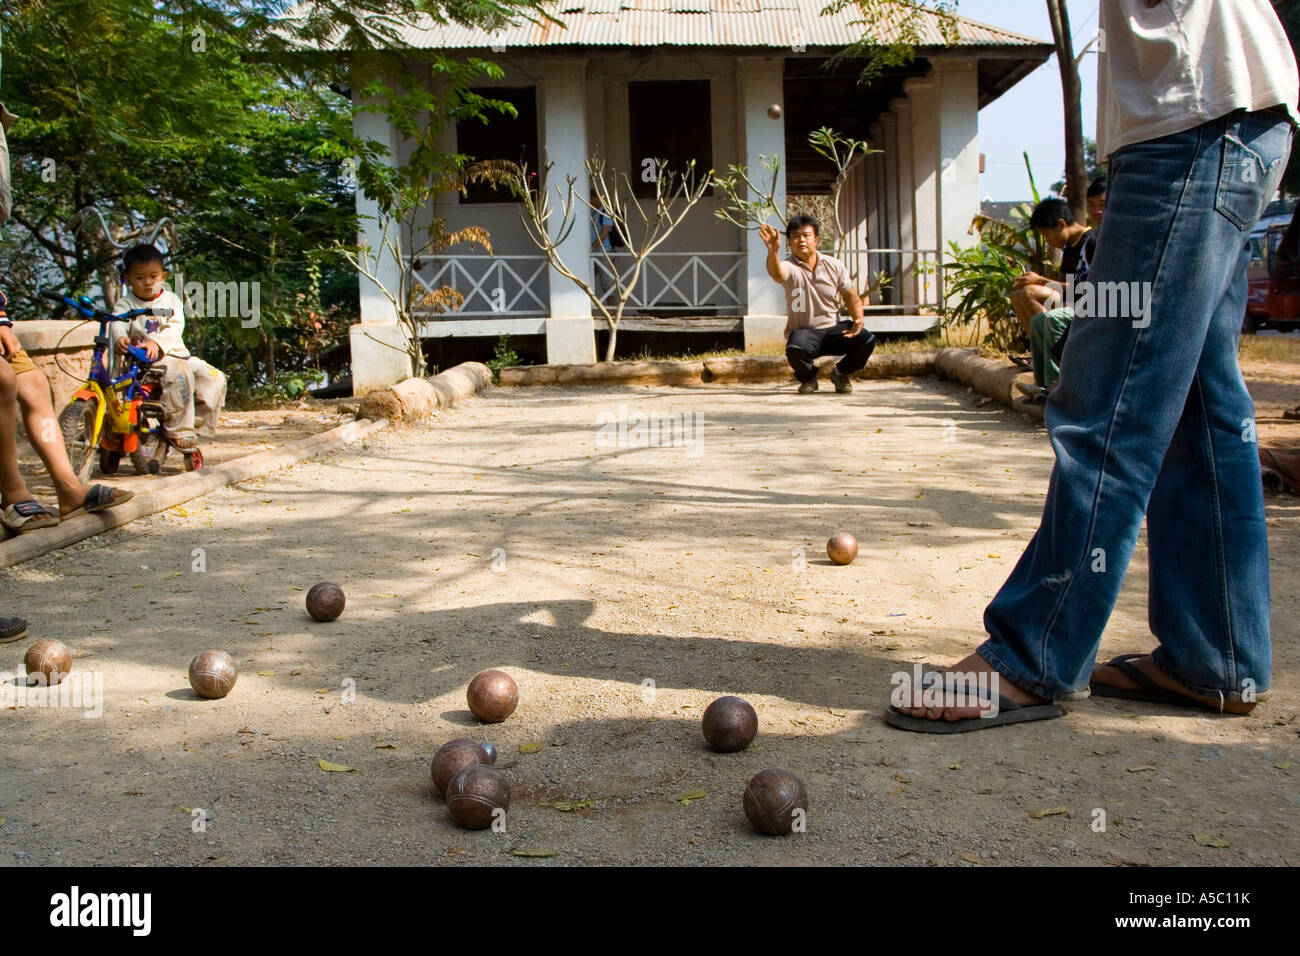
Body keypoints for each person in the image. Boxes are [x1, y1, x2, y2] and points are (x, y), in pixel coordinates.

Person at [886, 0, 1296, 732]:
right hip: (1237, 113)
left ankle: (1034, 651)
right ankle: (1216, 656)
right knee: (1199, 408)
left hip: (1190, 122)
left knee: (1111, 394)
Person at [115, 244, 227, 451]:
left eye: (153, 277)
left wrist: (156, 342)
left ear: (163, 276)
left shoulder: (170, 300)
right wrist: (120, 337)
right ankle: (180, 430)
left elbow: (175, 325)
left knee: (214, 377)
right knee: (180, 374)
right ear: (128, 279)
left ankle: (196, 426)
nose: (147, 283)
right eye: (139, 278)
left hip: (177, 354)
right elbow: (117, 322)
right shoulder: (126, 303)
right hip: (150, 360)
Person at [759, 216, 872, 394]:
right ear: (789, 241)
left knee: (866, 339)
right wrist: (773, 250)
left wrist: (858, 319)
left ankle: (840, 374)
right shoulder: (789, 266)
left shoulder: (833, 265)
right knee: (795, 349)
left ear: (816, 240)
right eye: (795, 236)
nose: (801, 240)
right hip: (805, 334)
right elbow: (777, 274)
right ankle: (809, 378)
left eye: (806, 235)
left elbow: (851, 296)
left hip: (834, 330)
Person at [1018, 185, 1107, 401]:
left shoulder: (1094, 240)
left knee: (1048, 314)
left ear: (1061, 224)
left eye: (1047, 235)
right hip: (1081, 302)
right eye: (1092, 205)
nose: (1048, 241)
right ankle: (1044, 386)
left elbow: (1092, 289)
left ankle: (1059, 389)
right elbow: (1072, 286)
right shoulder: (1070, 250)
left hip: (1104, 304)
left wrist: (1040, 281)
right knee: (1039, 320)